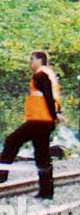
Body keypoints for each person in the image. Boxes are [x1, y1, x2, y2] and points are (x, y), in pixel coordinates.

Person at [0, 51, 64, 200]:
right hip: (43, 121)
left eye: (32, 59)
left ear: (40, 60)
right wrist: (56, 114)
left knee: (12, 141)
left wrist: (54, 116)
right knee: (42, 155)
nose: (30, 62)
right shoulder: (50, 74)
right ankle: (46, 191)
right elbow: (54, 98)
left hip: (38, 120)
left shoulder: (41, 75)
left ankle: (2, 174)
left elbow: (48, 97)